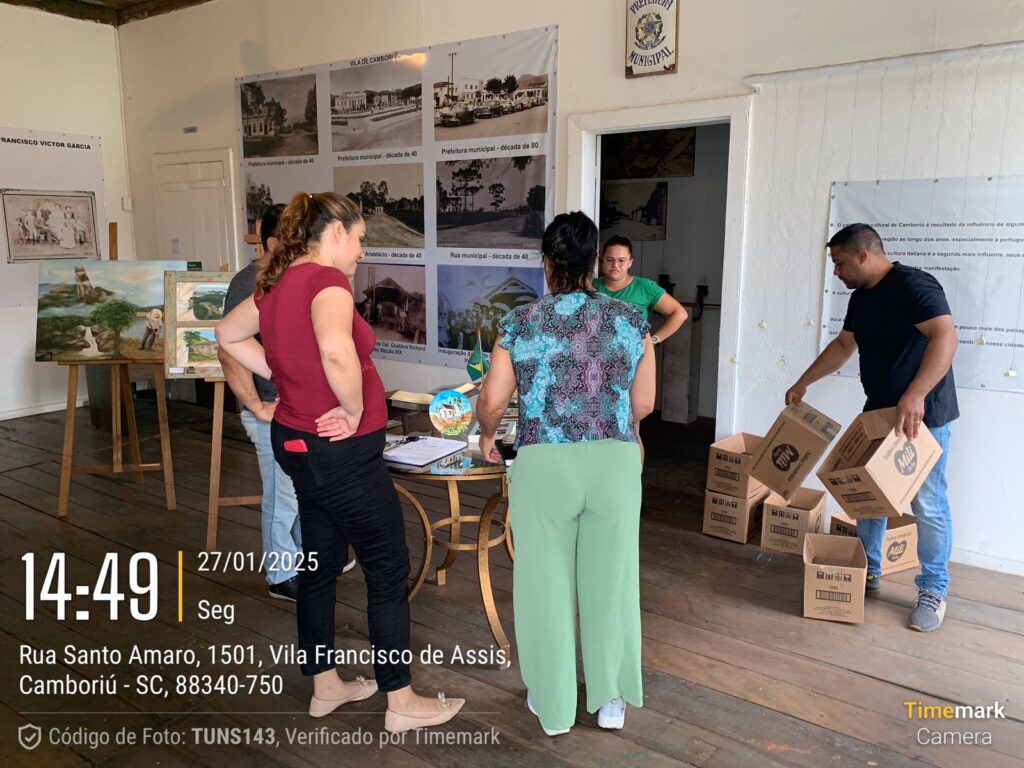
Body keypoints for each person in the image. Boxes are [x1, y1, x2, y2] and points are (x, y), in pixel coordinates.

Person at [216, 192, 464, 731]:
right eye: (358, 239)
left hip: (300, 445)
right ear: (334, 234)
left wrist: (280, 389)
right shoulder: (327, 282)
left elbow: (227, 335)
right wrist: (351, 409)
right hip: (342, 454)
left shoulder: (273, 284)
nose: (359, 252)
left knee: (319, 563)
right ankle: (401, 701)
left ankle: (324, 687)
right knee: (387, 566)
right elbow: (334, 351)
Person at [476, 211, 656, 736]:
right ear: (596, 260)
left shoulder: (521, 322)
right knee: (613, 581)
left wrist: (489, 435)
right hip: (615, 461)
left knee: (544, 583)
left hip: (544, 461)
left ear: (548, 262)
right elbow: (641, 403)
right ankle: (611, 700)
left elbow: (492, 400)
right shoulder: (630, 320)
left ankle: (553, 705)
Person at [786, 223, 958, 632]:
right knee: (867, 496)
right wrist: (805, 379)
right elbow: (845, 345)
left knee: (927, 504)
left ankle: (934, 589)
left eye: (840, 262)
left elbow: (945, 337)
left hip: (923, 416)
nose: (836, 272)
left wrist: (915, 393)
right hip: (879, 413)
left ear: (863, 255)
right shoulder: (861, 298)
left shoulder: (914, 285)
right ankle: (868, 570)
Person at [219, 204, 353, 602]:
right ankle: (281, 575)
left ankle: (307, 561)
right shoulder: (252, 283)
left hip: (295, 408)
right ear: (275, 242)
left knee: (299, 492)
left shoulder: (289, 279)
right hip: (271, 410)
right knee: (282, 496)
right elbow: (228, 349)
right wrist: (257, 407)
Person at [594, 234, 688, 345]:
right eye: (610, 260)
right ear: (602, 260)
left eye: (621, 260)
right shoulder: (590, 286)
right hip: (596, 358)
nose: (615, 265)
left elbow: (680, 314)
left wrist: (651, 342)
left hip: (635, 359)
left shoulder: (644, 287)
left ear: (630, 262)